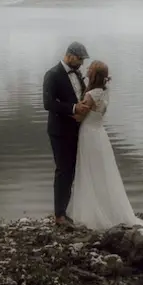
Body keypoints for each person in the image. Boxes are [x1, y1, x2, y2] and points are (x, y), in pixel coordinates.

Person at [66, 60, 143, 230]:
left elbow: (79, 117)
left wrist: (65, 111)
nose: (86, 71)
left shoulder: (91, 95)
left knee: (89, 171)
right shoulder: (105, 91)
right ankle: (107, 208)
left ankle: (93, 212)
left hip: (88, 134)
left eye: (90, 70)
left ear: (93, 74)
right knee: (101, 172)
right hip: (100, 134)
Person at [43, 41, 92, 225]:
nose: (81, 64)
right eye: (80, 59)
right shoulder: (52, 74)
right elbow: (48, 103)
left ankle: (67, 210)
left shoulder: (78, 73)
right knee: (63, 171)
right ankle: (59, 215)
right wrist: (73, 108)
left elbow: (81, 95)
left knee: (72, 171)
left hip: (77, 129)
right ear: (70, 55)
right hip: (60, 131)